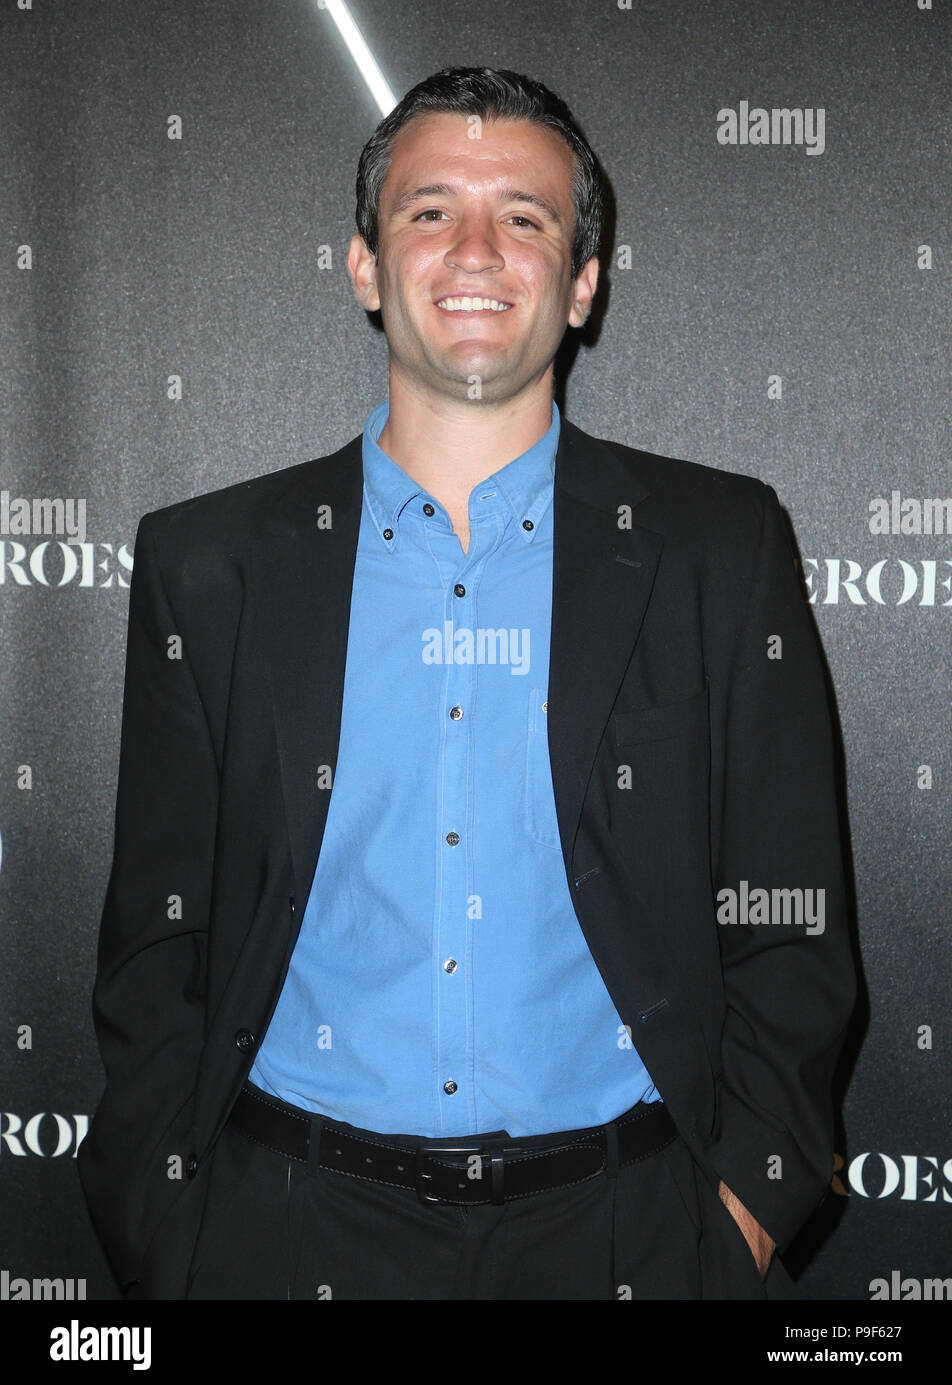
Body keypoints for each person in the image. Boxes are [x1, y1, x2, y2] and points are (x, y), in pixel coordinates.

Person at [78, 66, 855, 1301]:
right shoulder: (209, 563)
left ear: (585, 282)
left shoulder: (721, 546)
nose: (477, 249)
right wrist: (174, 1231)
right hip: (284, 1237)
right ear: (365, 267)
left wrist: (741, 1219)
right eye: (430, 211)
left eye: (528, 217)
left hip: (629, 1239)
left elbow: (790, 922)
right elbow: (157, 941)